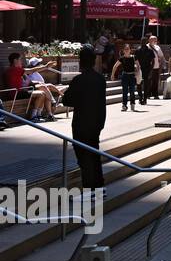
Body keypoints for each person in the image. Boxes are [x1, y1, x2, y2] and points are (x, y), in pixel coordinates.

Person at [61, 46, 107, 188]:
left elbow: (67, 101)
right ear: (94, 61)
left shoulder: (78, 80)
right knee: (94, 155)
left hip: (81, 124)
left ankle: (89, 190)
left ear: (81, 62)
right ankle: (99, 188)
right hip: (96, 122)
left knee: (83, 158)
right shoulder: (100, 79)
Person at [4, 52, 54, 122]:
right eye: (20, 59)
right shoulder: (14, 69)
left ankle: (38, 114)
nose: (21, 61)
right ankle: (34, 116)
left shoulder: (13, 69)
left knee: (42, 92)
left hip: (19, 91)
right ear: (15, 60)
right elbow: (32, 71)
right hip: (16, 93)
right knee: (41, 94)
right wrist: (46, 66)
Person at [111, 47, 139, 112]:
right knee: (125, 91)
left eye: (128, 49)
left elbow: (138, 65)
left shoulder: (134, 57)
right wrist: (113, 74)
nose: (126, 50)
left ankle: (132, 104)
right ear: (123, 51)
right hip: (125, 76)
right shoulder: (122, 58)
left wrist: (137, 70)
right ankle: (124, 105)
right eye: (125, 49)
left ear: (130, 50)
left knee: (132, 91)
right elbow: (115, 66)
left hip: (132, 75)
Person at [133, 40, 153, 107]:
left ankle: (145, 99)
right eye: (142, 42)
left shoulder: (150, 50)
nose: (143, 43)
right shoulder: (137, 50)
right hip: (139, 69)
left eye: (144, 42)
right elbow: (134, 60)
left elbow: (153, 61)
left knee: (146, 84)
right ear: (140, 43)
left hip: (147, 69)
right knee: (139, 83)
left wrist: (151, 70)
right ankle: (140, 97)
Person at [147, 35, 165, 99]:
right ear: (149, 40)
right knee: (148, 81)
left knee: (155, 81)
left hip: (156, 67)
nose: (155, 41)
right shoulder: (146, 47)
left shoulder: (157, 47)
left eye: (156, 40)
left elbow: (162, 56)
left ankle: (155, 94)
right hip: (148, 68)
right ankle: (147, 94)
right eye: (154, 40)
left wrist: (163, 65)